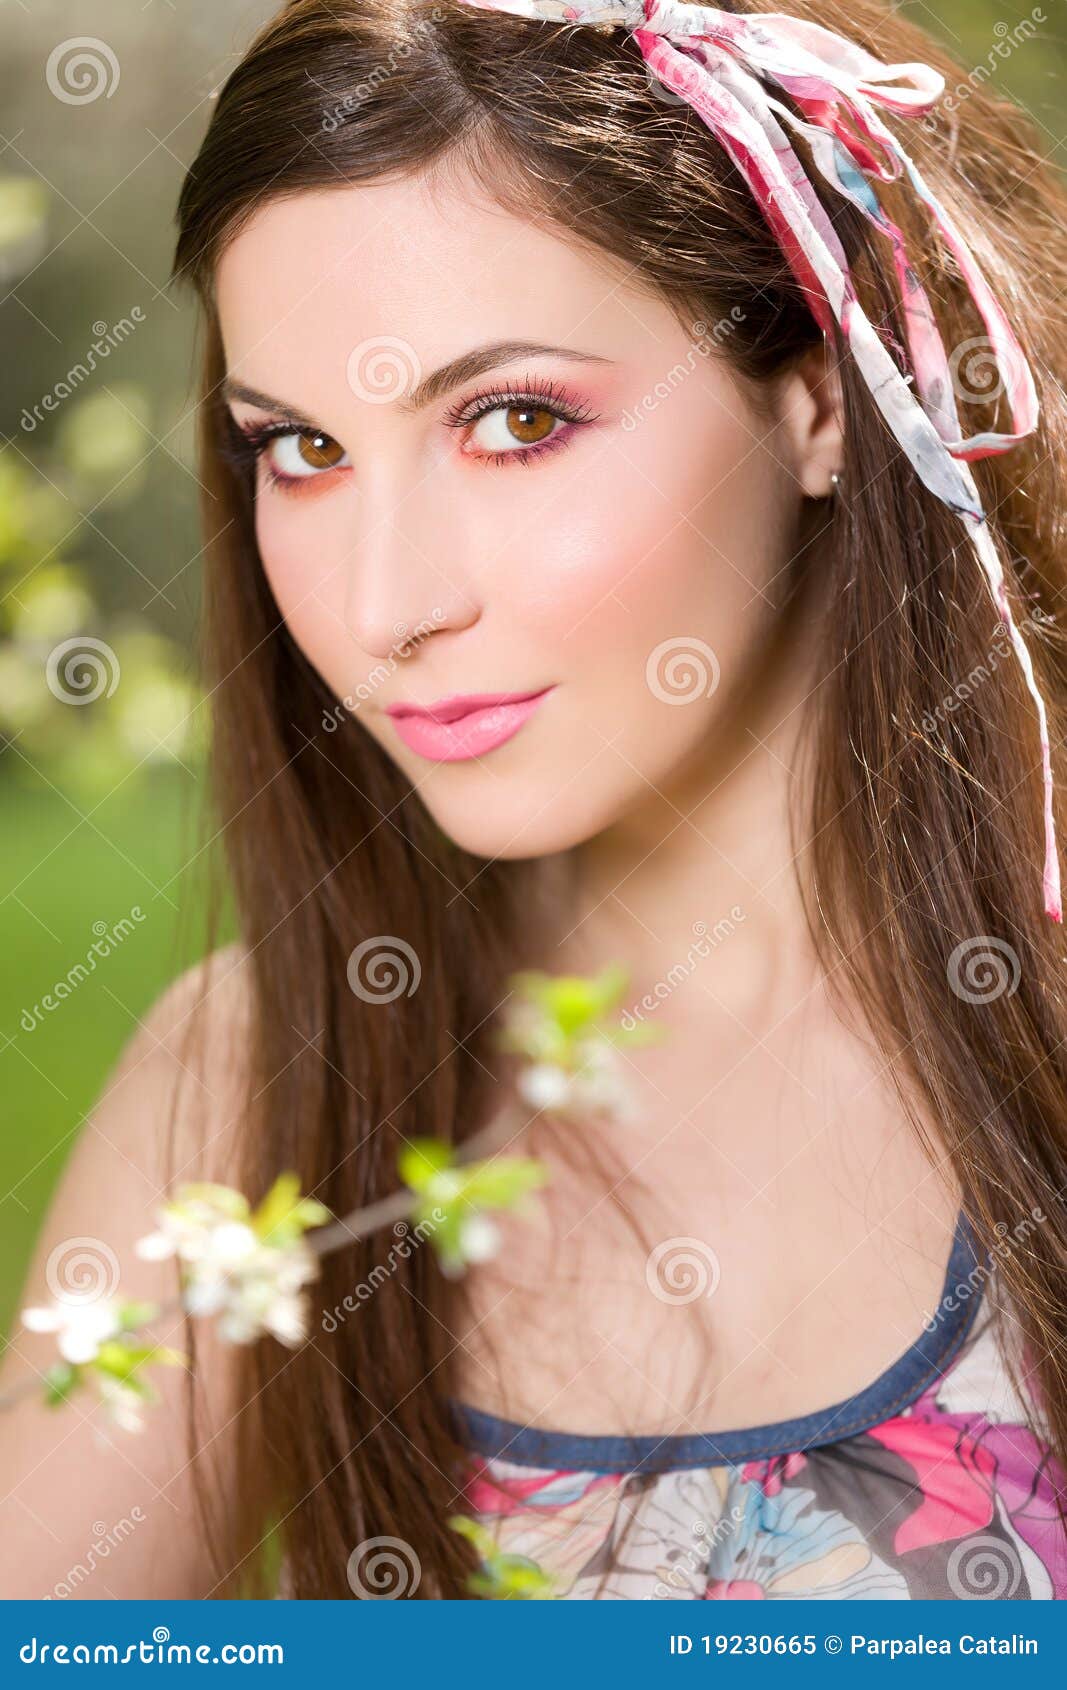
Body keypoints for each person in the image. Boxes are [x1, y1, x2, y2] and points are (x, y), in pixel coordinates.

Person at [2, 0, 1066, 1600]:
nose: (383, 605)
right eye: (299, 449)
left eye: (516, 423)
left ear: (818, 401)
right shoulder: (251, 1091)